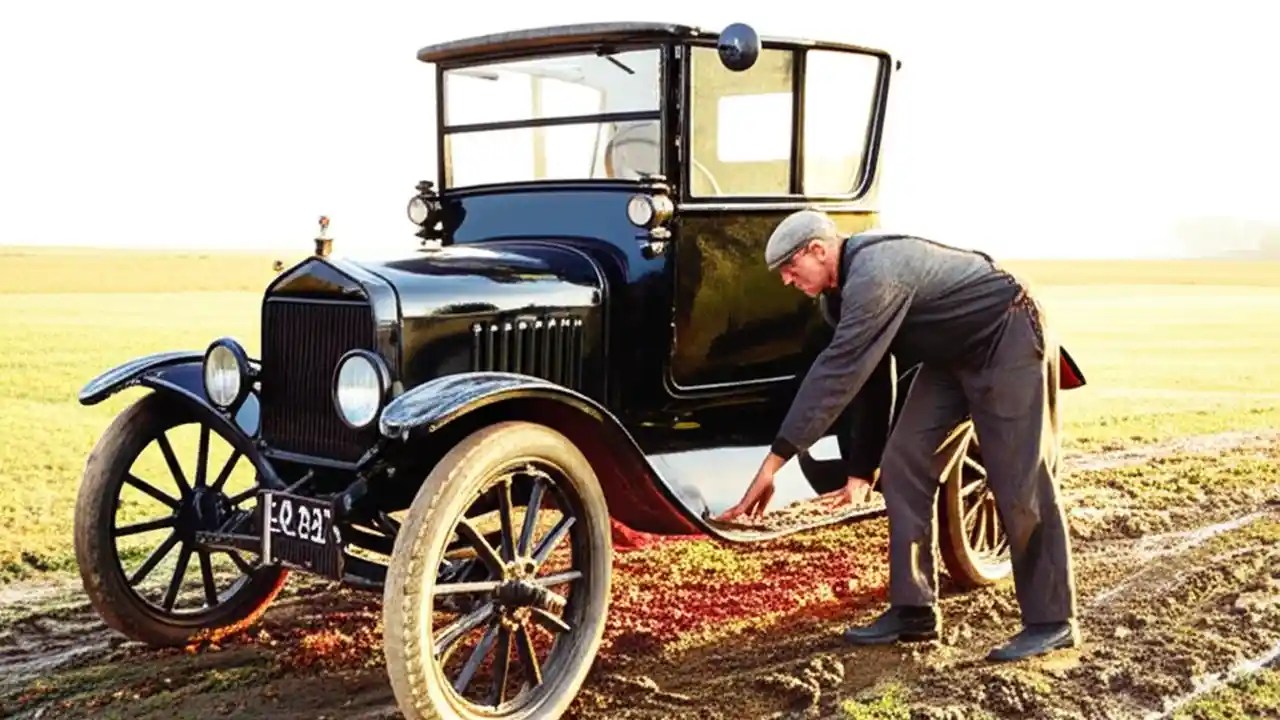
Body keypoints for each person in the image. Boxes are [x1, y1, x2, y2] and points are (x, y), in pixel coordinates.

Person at [715, 209, 1080, 662]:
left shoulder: (875, 273)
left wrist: (773, 464)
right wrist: (862, 471)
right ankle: (914, 610)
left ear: (818, 249)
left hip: (1007, 331)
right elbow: (869, 379)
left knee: (1019, 476)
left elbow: (836, 374)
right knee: (906, 462)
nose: (788, 281)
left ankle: (1052, 621)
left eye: (791, 268)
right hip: (952, 356)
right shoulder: (838, 297)